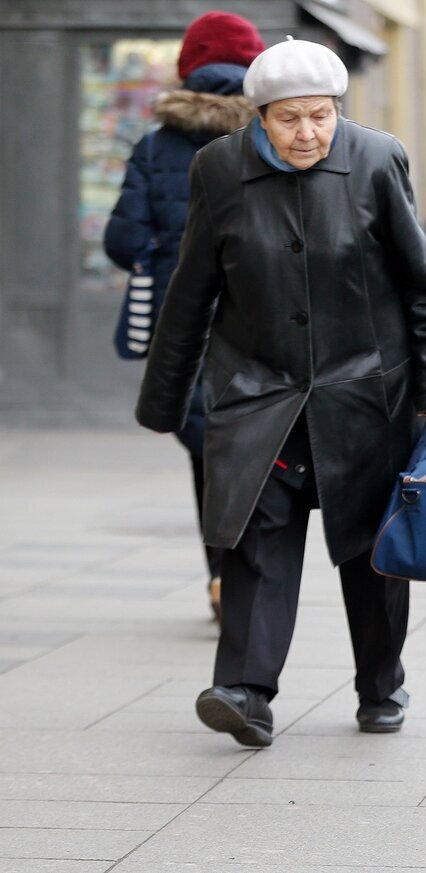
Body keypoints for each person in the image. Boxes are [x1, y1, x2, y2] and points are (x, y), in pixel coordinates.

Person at [135, 37, 426, 747]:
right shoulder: (218, 169)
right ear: (259, 118)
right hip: (260, 394)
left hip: (365, 395)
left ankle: (381, 684)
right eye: (289, 119)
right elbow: (191, 294)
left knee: (372, 553)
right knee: (256, 542)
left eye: (321, 115)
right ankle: (245, 692)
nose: (308, 132)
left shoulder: (377, 160)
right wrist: (164, 399)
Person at [104, 11, 266, 623]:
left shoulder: (155, 145)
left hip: (183, 323)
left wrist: (162, 249)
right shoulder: (270, 137)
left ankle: (221, 573)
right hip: (260, 316)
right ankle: (250, 567)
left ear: (187, 67)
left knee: (205, 445)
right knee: (259, 439)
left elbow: (122, 241)